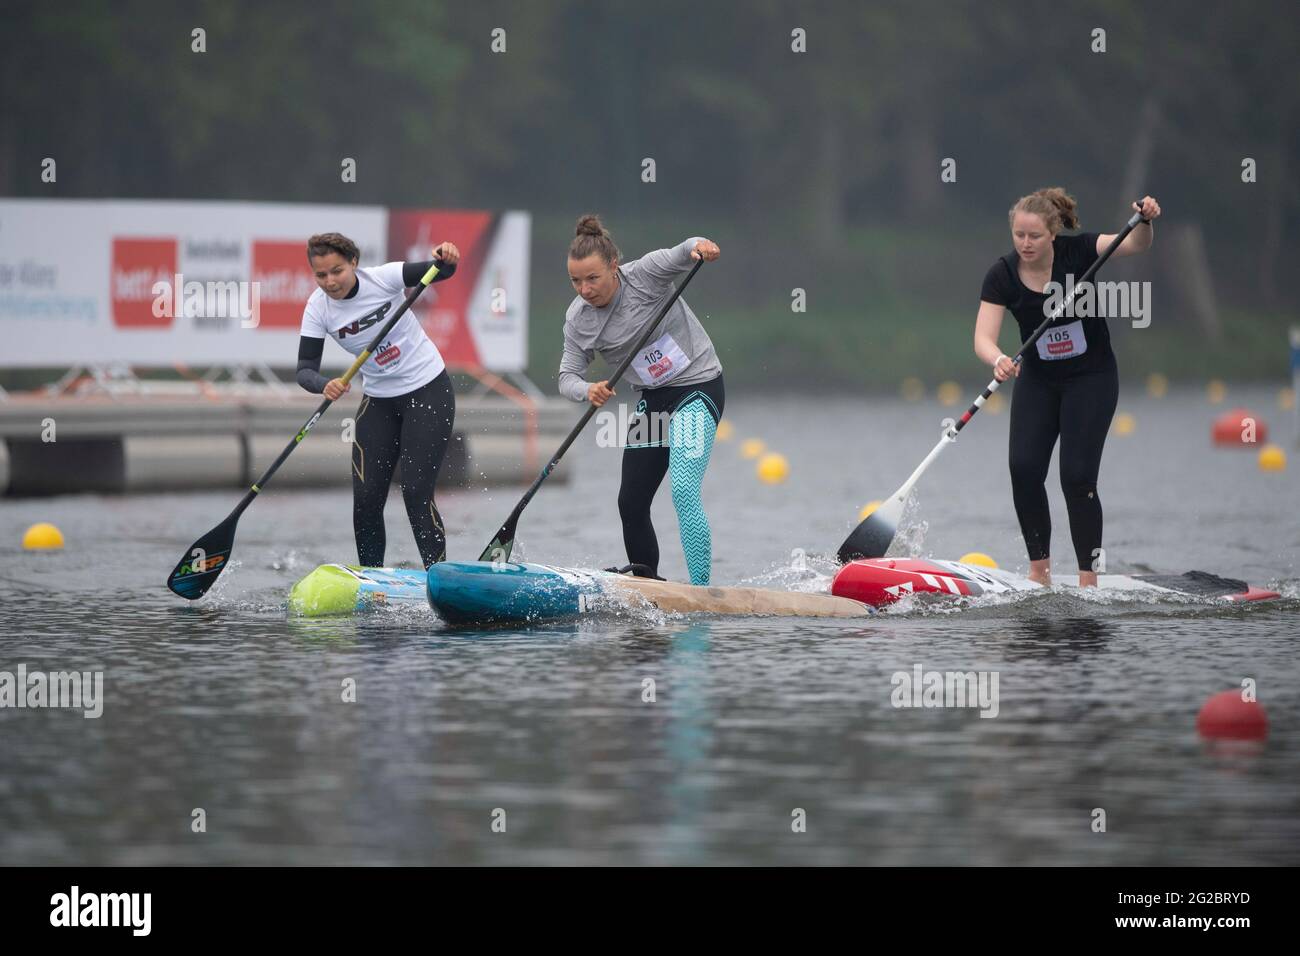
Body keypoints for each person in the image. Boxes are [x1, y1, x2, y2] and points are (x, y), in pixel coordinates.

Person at [974, 188, 1160, 586]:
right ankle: (1039, 573)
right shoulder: (1002, 275)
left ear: (1053, 234)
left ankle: (1087, 578)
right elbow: (983, 339)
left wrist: (1144, 221)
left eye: (1034, 236)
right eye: (1019, 235)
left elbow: (1136, 245)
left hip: (1090, 379)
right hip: (1038, 380)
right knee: (1023, 469)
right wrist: (998, 359)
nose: (1025, 243)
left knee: (1076, 477)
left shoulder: (1081, 252)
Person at [558, 215, 724, 585]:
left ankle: (701, 592)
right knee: (630, 503)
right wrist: (587, 390)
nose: (584, 290)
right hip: (655, 398)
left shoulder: (645, 274)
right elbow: (566, 377)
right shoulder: (578, 320)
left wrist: (701, 245)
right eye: (575, 281)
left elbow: (683, 251)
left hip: (698, 385)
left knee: (682, 488)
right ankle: (648, 585)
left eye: (592, 279)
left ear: (614, 266)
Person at [295, 232, 460, 568]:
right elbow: (304, 370)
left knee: (415, 493)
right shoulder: (318, 308)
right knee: (367, 499)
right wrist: (324, 384)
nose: (330, 282)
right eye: (321, 275)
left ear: (353, 262)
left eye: (337, 271)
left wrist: (447, 257)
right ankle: (372, 581)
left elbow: (440, 271)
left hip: (427, 389)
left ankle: (439, 575)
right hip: (379, 401)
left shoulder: (384, 279)